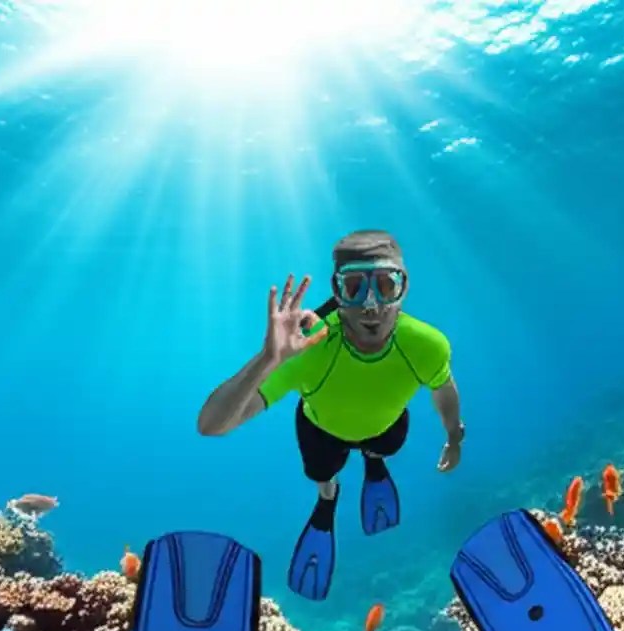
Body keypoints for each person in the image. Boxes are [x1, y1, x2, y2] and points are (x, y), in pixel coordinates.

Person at [197, 229, 465, 601]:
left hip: (385, 428)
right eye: (354, 286)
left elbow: (443, 389)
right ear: (336, 293)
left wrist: (455, 435)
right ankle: (329, 496)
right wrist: (268, 359)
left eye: (386, 286)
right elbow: (211, 425)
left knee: (383, 446)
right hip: (320, 432)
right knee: (323, 472)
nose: (371, 306)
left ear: (405, 288)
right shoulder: (309, 348)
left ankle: (370, 462)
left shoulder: (428, 345)